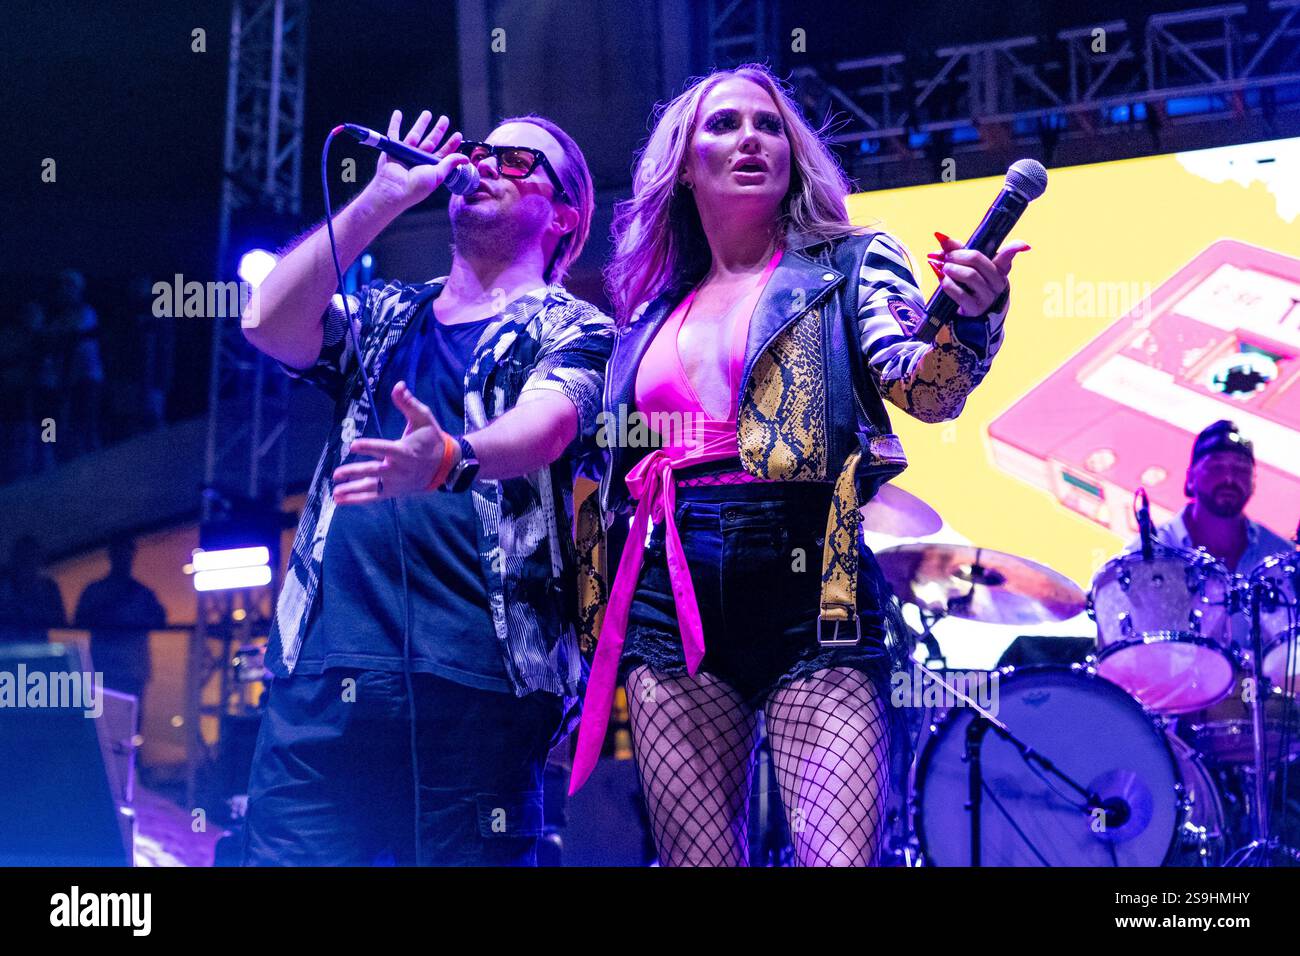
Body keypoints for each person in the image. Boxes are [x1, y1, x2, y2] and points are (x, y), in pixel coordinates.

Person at [570, 64, 1025, 866]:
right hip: (669, 592)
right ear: (682, 161)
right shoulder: (646, 310)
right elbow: (613, 469)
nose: (750, 137)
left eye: (770, 125)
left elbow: (922, 388)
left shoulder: (849, 261)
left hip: (817, 574)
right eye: (724, 125)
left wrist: (974, 322)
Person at [239, 108, 612, 866]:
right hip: (324, 674)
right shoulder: (383, 316)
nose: (483, 164)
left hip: (477, 684)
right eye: (478, 152)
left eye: (516, 162)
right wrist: (381, 197)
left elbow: (547, 424)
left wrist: (449, 456)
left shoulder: (577, 328)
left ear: (563, 215)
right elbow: (267, 322)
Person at [1137, 420, 1292, 573]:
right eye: (1216, 467)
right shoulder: (1142, 559)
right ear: (1191, 478)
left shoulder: (1282, 557)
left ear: (1253, 481)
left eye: (1241, 469)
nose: (1229, 479)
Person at [74, 535, 165, 716]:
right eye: (119, 554)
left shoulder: (142, 594)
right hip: (109, 668)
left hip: (128, 670)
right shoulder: (138, 593)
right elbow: (80, 619)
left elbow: (160, 620)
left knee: (124, 722)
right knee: (104, 721)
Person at [0, 535, 67, 645]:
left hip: (40, 650)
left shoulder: (49, 589)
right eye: (23, 558)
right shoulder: (3, 591)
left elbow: (60, 624)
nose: (28, 563)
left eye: (31, 557)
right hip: (7, 652)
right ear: (13, 560)